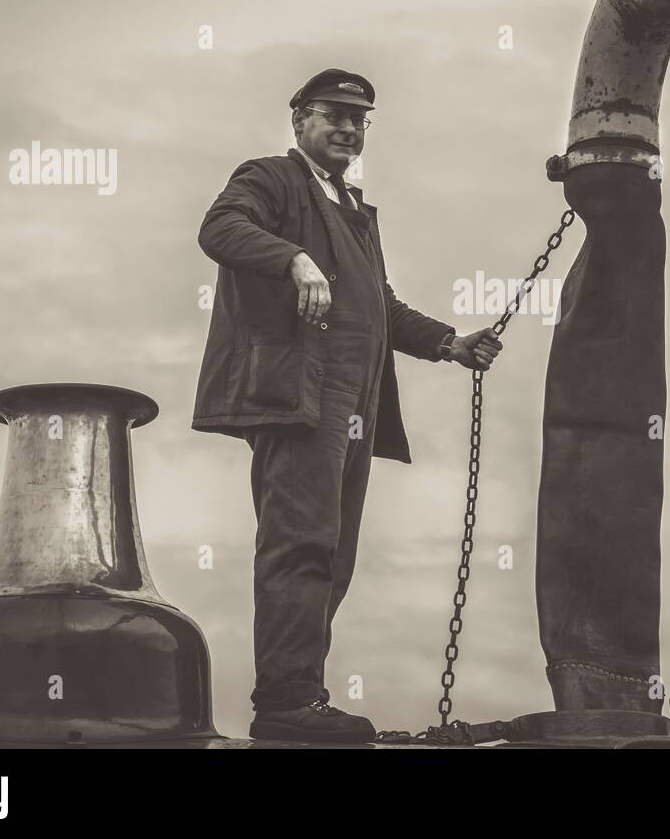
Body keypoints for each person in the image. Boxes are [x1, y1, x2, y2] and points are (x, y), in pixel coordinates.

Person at [192, 68, 502, 742]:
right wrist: (293, 259)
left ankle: (303, 693)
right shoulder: (272, 178)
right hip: (301, 397)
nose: (348, 127)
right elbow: (220, 228)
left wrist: (450, 342)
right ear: (299, 118)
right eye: (333, 114)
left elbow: (379, 304)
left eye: (359, 118)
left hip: (356, 403)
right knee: (299, 545)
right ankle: (285, 704)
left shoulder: (356, 210)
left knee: (333, 554)